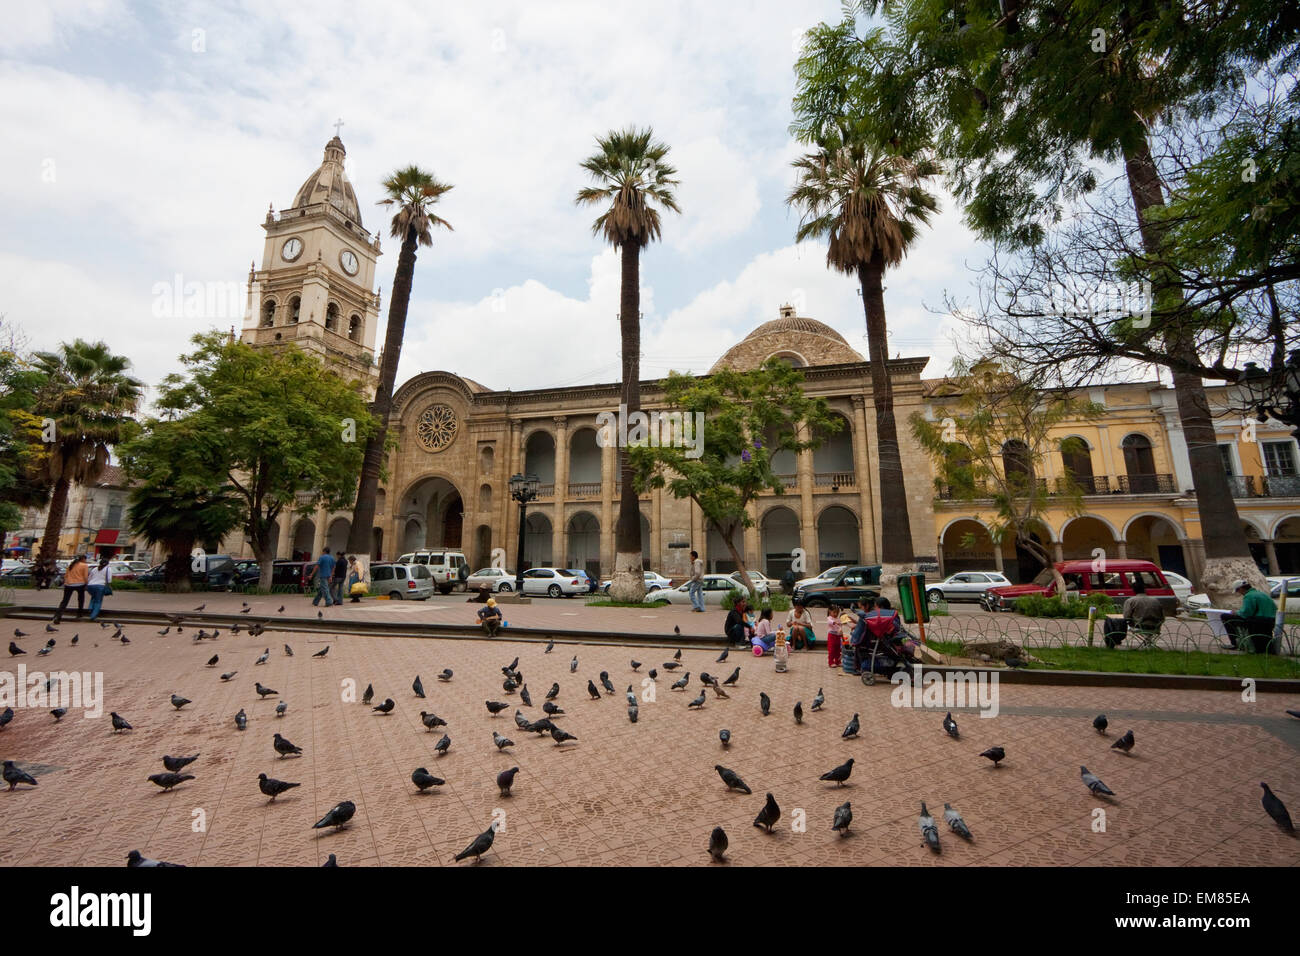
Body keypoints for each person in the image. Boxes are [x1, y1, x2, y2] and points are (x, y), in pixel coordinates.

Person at [1222, 578, 1278, 653]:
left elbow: (1246, 613)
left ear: (1241, 588)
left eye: (1237, 591)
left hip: (1258, 621)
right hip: (1271, 620)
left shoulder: (1249, 596)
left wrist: (1237, 612)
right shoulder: (1261, 594)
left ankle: (1234, 643)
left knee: (1225, 617)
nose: (1239, 593)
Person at [1112, 576, 1164, 647]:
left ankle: (1115, 641)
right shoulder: (1156, 601)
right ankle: (1148, 641)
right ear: (1144, 590)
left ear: (1134, 590)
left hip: (1139, 627)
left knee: (1113, 622)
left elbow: (1126, 617)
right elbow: (1162, 617)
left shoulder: (1131, 601)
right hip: (1155, 627)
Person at [53, 554, 89, 624]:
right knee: (81, 599)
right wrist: (87, 584)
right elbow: (85, 576)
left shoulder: (71, 565)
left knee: (65, 601)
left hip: (68, 584)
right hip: (80, 584)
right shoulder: (84, 565)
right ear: (83, 559)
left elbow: (66, 575)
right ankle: (79, 614)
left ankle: (58, 616)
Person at [87, 556, 113, 622]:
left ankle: (90, 607)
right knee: (98, 601)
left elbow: (89, 578)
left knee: (93, 597)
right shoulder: (108, 569)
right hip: (100, 586)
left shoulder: (95, 568)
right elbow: (109, 580)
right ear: (107, 563)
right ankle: (93, 615)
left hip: (90, 586)